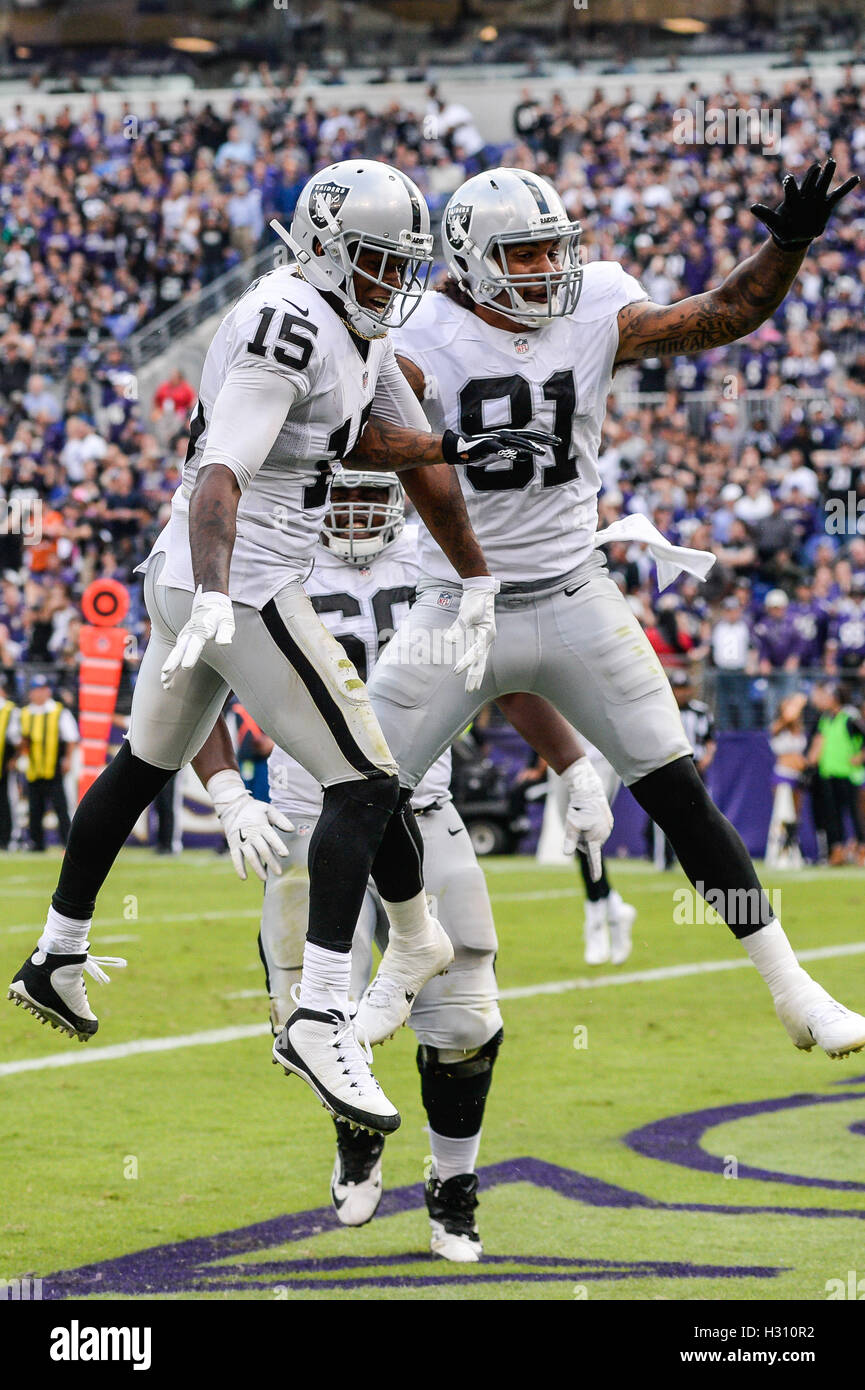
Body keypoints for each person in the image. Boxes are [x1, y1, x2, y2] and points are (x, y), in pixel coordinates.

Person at [7, 160, 551, 1137]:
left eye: (403, 265)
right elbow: (223, 469)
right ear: (333, 251)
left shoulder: (352, 327)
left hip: (190, 570)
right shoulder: (286, 319)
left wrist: (449, 451)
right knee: (367, 782)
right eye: (381, 263)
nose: (396, 282)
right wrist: (220, 595)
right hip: (239, 574)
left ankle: (55, 951)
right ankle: (319, 1009)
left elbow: (363, 442)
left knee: (143, 763)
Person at [361, 161, 865, 1061]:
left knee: (680, 795)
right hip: (456, 601)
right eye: (521, 254)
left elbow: (719, 315)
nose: (545, 267)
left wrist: (786, 247)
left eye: (554, 248)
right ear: (471, 259)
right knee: (360, 791)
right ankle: (383, 963)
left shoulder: (596, 304)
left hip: (571, 592)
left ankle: (793, 988)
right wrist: (425, 430)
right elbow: (359, 433)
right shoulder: (421, 332)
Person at [259, 471, 612, 1260]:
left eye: (369, 492)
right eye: (339, 493)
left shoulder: (440, 556)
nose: (352, 510)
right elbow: (203, 671)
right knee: (308, 1017)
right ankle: (358, 1131)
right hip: (308, 811)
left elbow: (508, 666)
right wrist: (224, 791)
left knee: (463, 1016)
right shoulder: (272, 555)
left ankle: (452, 1184)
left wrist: (572, 765)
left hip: (421, 804)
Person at [13, 677, 78, 852]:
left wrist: (67, 758)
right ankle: (36, 843)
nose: (38, 693)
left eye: (42, 689)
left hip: (53, 765)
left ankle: (68, 843)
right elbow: (19, 739)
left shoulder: (58, 711)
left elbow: (71, 737)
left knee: (60, 807)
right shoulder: (25, 713)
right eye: (35, 689)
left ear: (48, 691)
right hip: (33, 767)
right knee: (35, 808)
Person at [808, 683, 865, 866]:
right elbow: (820, 741)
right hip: (829, 772)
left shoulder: (850, 717)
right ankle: (837, 851)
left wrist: (861, 756)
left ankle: (862, 850)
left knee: (857, 815)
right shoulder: (825, 719)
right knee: (832, 815)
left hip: (849, 774)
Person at [0, 676, 16, 850]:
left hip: (4, 761)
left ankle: (7, 838)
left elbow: (17, 739)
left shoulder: (9, 709)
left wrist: (14, 758)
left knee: (6, 801)